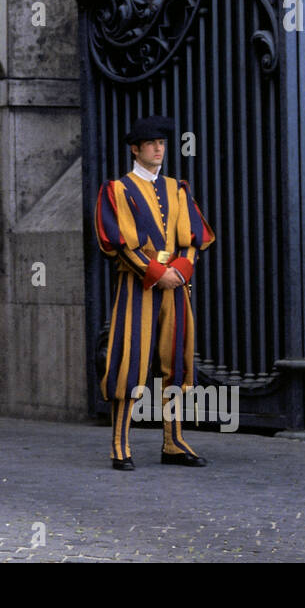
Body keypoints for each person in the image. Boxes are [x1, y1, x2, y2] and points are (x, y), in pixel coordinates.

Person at [94, 114, 215, 470]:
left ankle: (173, 441)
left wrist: (180, 269)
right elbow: (117, 242)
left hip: (176, 287)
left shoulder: (178, 188)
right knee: (129, 360)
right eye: (152, 144)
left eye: (162, 143)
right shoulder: (118, 189)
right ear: (136, 149)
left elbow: (193, 237)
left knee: (175, 361)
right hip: (137, 286)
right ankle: (120, 444)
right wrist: (156, 272)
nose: (159, 149)